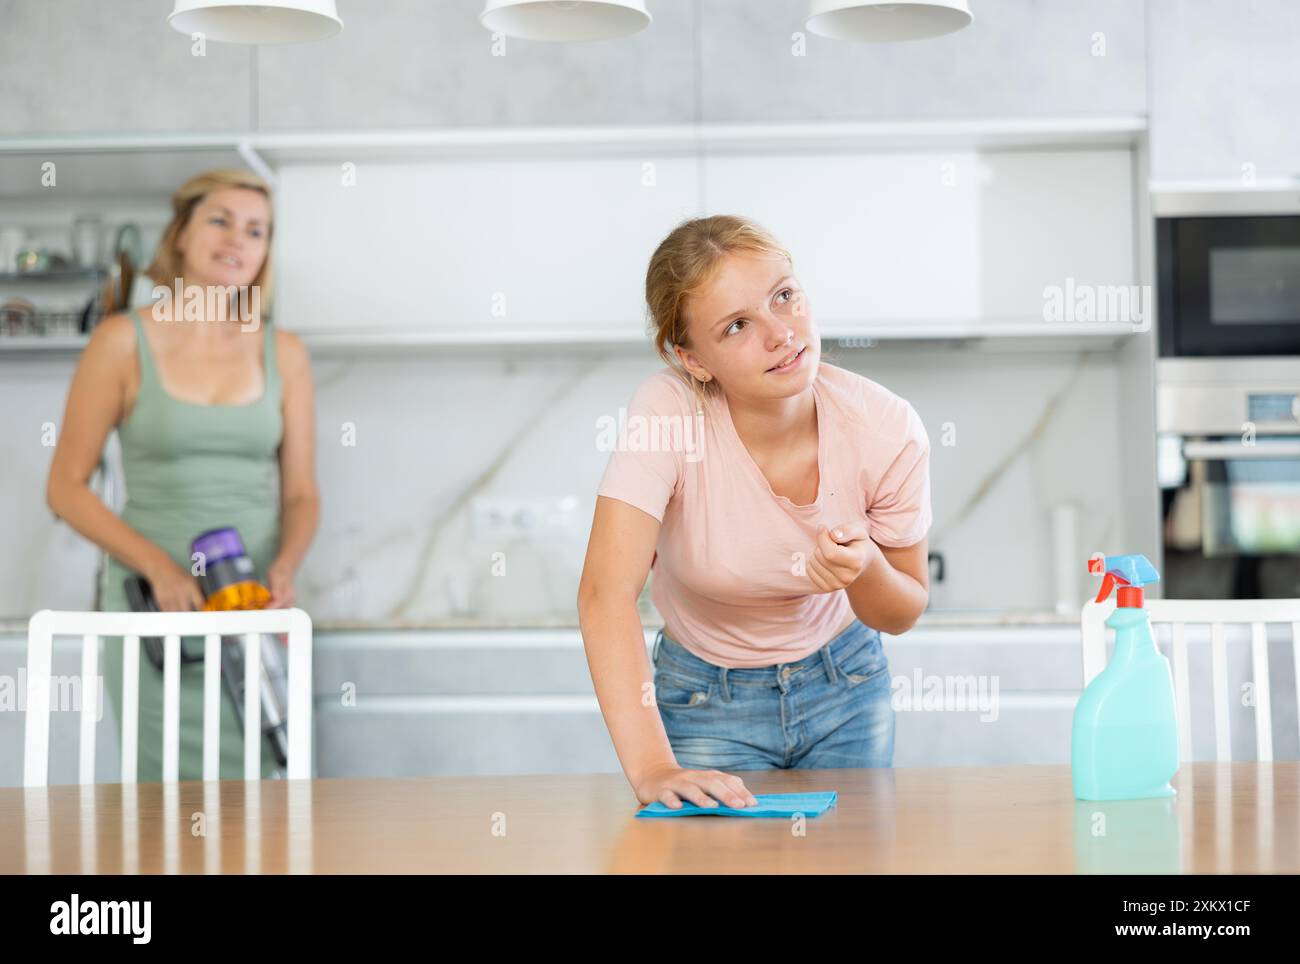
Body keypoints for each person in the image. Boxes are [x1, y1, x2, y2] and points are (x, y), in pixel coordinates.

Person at [578, 214, 932, 810]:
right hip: (705, 697)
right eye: (738, 325)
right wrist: (652, 769)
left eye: (784, 296)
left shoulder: (885, 428)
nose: (781, 333)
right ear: (691, 359)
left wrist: (865, 568)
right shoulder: (669, 413)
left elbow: (901, 611)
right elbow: (604, 591)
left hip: (845, 686)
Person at [46, 169, 319, 781]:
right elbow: (64, 486)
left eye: (256, 230)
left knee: (271, 796)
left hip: (254, 609)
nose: (237, 240)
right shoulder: (121, 342)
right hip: (154, 612)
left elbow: (301, 494)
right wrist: (159, 567)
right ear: (181, 234)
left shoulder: (285, 353)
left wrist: (286, 566)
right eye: (219, 220)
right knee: (166, 800)